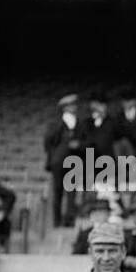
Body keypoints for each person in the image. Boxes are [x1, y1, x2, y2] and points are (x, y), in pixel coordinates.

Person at [42, 92, 87, 227]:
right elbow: (48, 141)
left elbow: (86, 141)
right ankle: (56, 221)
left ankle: (69, 220)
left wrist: (78, 145)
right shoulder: (56, 123)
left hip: (74, 161)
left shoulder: (80, 123)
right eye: (70, 105)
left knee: (71, 192)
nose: (74, 107)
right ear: (65, 108)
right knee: (58, 191)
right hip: (59, 161)